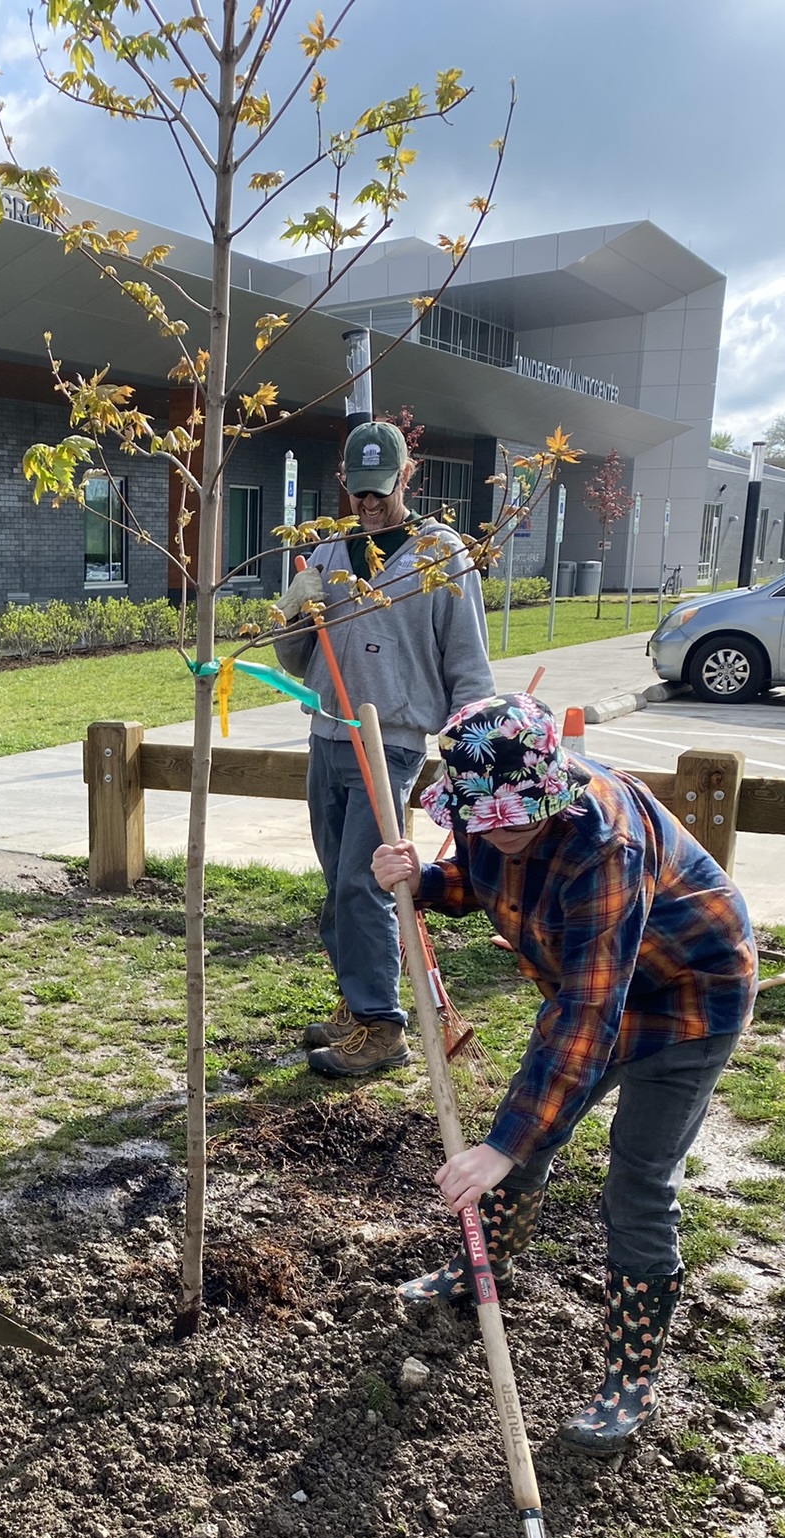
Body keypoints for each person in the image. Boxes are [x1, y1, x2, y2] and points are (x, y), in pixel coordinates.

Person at [371, 692, 757, 1455]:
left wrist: (503, 1145)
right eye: (486, 819)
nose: (503, 830)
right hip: (596, 987)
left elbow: (588, 1013)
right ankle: (488, 1265)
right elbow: (483, 880)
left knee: (636, 1181)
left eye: (520, 815)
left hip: (689, 997)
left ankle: (628, 1384)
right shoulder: (489, 813)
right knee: (524, 1136)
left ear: (553, 785)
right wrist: (420, 878)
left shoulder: (603, 842)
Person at [278, 420, 493, 1078]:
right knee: (336, 884)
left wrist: (474, 754)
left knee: (363, 882)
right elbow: (293, 657)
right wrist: (291, 612)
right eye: (358, 491)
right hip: (328, 732)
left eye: (381, 491)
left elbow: (469, 661)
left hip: (390, 741)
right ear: (344, 481)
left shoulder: (439, 553)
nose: (369, 505)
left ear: (407, 476)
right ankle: (355, 1003)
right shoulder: (328, 553)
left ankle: (383, 1028)